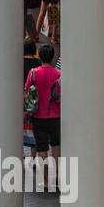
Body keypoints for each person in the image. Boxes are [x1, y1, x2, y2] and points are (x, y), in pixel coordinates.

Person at [27, 43, 61, 189]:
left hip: (38, 117)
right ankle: (58, 175)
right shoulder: (58, 74)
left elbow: (26, 91)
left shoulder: (33, 73)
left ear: (39, 56)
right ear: (53, 57)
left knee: (42, 149)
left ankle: (46, 181)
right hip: (56, 116)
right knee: (56, 146)